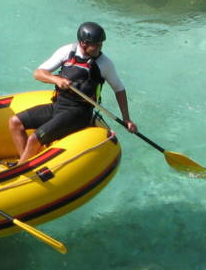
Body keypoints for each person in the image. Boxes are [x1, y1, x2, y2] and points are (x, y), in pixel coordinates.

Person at [8, 22, 136, 164]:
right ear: (83, 43)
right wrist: (56, 79)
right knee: (15, 122)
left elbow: (119, 89)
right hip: (58, 106)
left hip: (79, 113)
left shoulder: (104, 64)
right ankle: (27, 163)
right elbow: (38, 73)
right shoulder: (67, 51)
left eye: (101, 44)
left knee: (34, 139)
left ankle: (21, 169)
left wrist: (127, 118)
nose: (100, 47)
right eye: (96, 44)